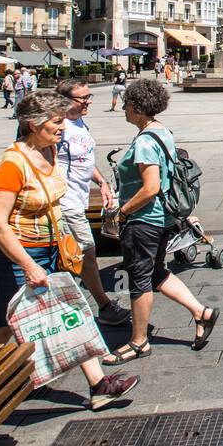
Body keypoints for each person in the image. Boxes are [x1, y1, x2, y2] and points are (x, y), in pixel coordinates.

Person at [0, 91, 138, 410]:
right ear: (34, 124)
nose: (64, 126)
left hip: (49, 250)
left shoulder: (50, 151)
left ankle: (99, 384)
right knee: (2, 327)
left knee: (68, 314)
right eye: (57, 121)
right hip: (13, 257)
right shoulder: (12, 163)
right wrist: (27, 264)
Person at [102, 78, 219, 364]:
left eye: (128, 105)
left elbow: (151, 186)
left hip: (145, 219)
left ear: (139, 108)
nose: (125, 110)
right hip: (164, 217)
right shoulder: (162, 132)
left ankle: (139, 341)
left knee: (140, 279)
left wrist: (124, 211)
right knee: (155, 271)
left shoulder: (144, 142)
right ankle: (200, 312)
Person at [55, 78, 131, 326]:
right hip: (65, 202)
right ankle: (104, 306)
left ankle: (62, 303)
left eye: (89, 96)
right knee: (87, 251)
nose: (88, 101)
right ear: (65, 101)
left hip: (79, 198)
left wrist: (101, 181)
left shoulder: (78, 122)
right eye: (83, 98)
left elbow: (85, 159)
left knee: (74, 253)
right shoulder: (57, 127)